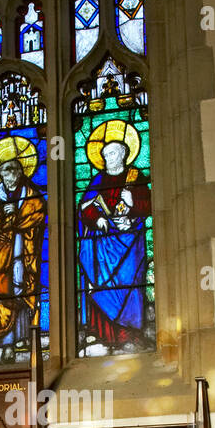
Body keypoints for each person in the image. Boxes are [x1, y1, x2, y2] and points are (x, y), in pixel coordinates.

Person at [77, 119, 151, 351]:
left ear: (124, 154)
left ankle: (130, 332)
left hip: (130, 240)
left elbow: (149, 206)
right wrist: (97, 218)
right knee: (100, 284)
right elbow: (84, 207)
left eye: (112, 153)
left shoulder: (135, 178)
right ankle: (101, 332)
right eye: (105, 154)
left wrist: (132, 204)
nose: (108, 158)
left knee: (129, 282)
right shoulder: (98, 181)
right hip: (103, 242)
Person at [0, 135, 47, 359]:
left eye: (14, 171)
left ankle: (23, 338)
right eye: (5, 172)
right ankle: (4, 340)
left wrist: (16, 216)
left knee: (22, 291)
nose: (10, 176)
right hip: (1, 257)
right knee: (2, 292)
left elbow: (37, 214)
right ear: (0, 174)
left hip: (24, 252)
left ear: (20, 172)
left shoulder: (31, 194)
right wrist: (7, 223)